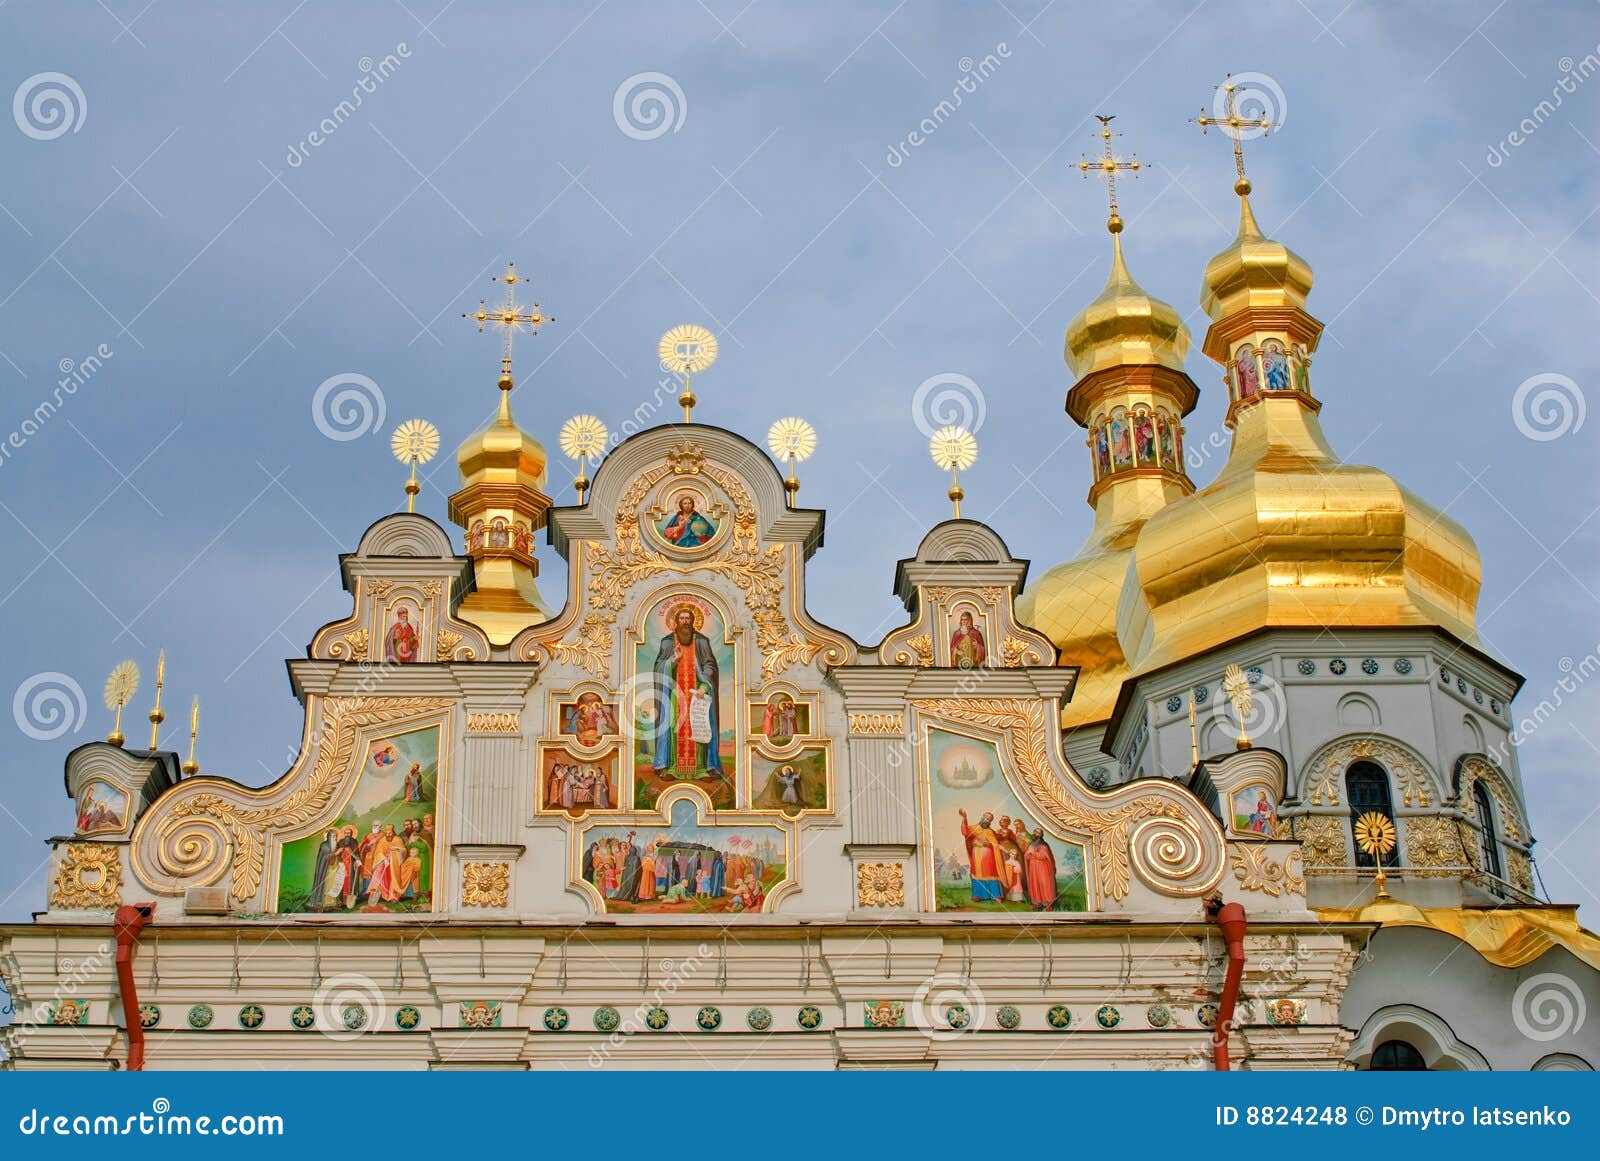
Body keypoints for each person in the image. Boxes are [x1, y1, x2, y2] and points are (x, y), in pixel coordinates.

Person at [651, 606, 722, 774]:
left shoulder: (702, 642)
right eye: (681, 618)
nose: (685, 621)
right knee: (675, 727)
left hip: (699, 693)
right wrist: (672, 661)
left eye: (688, 618)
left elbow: (710, 665)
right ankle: (670, 767)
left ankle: (703, 768)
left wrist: (705, 685)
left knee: (699, 727)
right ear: (676, 621)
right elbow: (658, 667)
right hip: (676, 694)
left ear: (693, 621)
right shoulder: (667, 642)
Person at [958, 808, 1011, 902]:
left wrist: (989, 844)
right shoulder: (974, 828)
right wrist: (964, 818)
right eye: (986, 818)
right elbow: (965, 831)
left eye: (989, 819)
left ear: (990, 822)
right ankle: (977, 895)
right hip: (976, 854)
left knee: (991, 873)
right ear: (982, 817)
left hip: (988, 856)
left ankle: (995, 895)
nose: (987, 820)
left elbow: (995, 844)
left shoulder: (990, 832)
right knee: (977, 873)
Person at [1024, 829, 1058, 911]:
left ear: (1041, 835)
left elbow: (1043, 856)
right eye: (1035, 832)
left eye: (1038, 832)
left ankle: (1047, 904)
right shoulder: (1031, 844)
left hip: (1043, 869)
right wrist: (1029, 855)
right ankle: (1036, 902)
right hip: (1033, 869)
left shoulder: (1044, 845)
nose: (1035, 833)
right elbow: (1026, 856)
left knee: (1044, 885)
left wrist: (1032, 853)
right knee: (1035, 884)